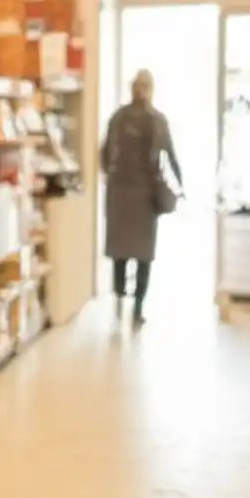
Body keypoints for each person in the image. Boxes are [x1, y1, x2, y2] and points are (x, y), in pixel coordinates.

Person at [101, 69, 183, 326]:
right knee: (141, 253)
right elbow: (170, 155)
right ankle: (135, 308)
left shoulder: (119, 117)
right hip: (144, 194)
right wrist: (180, 183)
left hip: (121, 193)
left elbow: (104, 153)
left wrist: (110, 176)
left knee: (121, 251)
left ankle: (121, 303)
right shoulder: (156, 120)